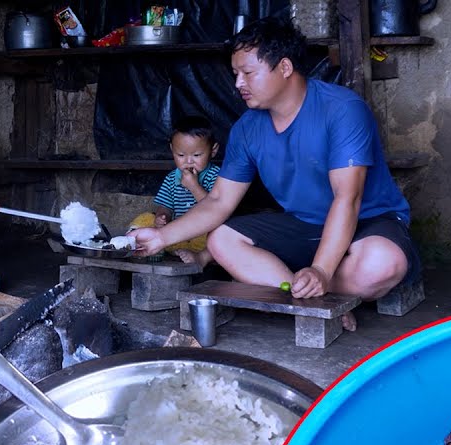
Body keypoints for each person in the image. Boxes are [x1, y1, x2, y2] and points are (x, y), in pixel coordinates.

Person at [128, 18, 420, 331]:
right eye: (236, 74)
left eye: (248, 73)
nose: (239, 83)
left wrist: (321, 269)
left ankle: (304, 286)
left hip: (369, 221)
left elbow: (347, 199)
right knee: (222, 240)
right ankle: (311, 298)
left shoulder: (342, 109)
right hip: (304, 225)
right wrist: (161, 237)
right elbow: (219, 201)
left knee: (382, 262)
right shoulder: (247, 128)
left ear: (284, 67)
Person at [126, 116, 221, 265]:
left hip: (201, 236)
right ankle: (148, 245)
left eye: (196, 155)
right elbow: (165, 206)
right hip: (175, 235)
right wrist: (162, 216)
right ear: (172, 150)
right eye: (181, 155)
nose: (188, 161)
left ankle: (200, 257)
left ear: (213, 151)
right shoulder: (171, 178)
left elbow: (216, 209)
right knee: (145, 219)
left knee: (223, 231)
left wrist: (194, 186)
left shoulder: (216, 175)